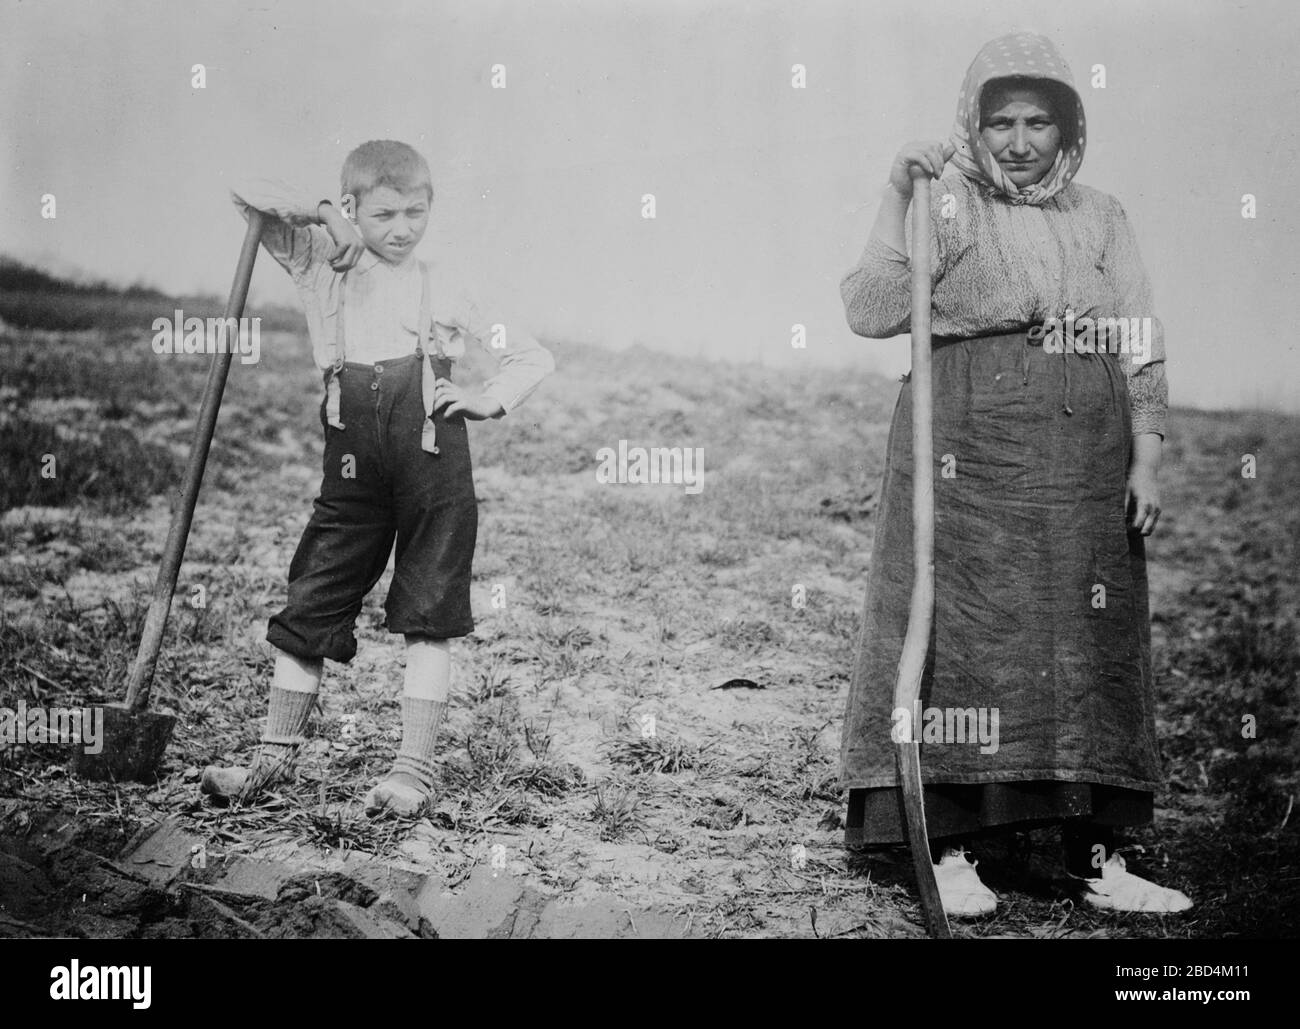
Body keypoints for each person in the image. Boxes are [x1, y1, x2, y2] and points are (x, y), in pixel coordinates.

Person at [838, 31, 1192, 917]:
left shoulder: (1103, 215)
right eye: (1002, 121)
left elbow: (1139, 340)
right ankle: (949, 847)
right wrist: (894, 191)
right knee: (964, 637)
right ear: (975, 123)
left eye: (1040, 120)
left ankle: (1095, 854)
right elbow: (870, 308)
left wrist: (1146, 459)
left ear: (1068, 126)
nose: (1021, 139)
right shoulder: (944, 199)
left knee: (1085, 642)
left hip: (1083, 453)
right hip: (966, 445)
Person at [201, 140, 554, 815]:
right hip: (352, 466)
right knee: (311, 601)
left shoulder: (446, 279)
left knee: (428, 613)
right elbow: (241, 182)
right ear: (355, 204)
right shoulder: (316, 260)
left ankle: (410, 775)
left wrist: (488, 397)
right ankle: (272, 761)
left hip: (432, 463)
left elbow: (531, 355)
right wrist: (324, 214)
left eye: (415, 213)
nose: (401, 230)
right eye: (384, 214)